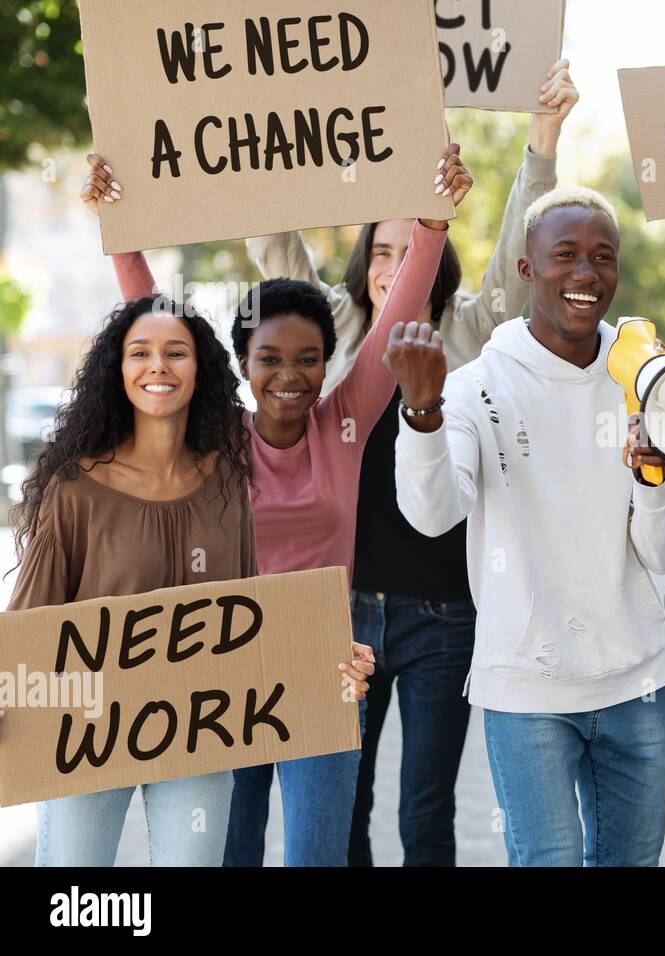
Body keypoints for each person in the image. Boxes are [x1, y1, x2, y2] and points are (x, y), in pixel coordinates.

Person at [83, 143, 472, 866]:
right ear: (243, 365)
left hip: (325, 661)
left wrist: (432, 221)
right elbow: (150, 320)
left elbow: (400, 309)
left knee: (317, 856)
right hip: (225, 656)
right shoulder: (215, 437)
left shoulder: (347, 423)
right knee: (234, 850)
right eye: (270, 359)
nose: (290, 377)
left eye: (307, 359)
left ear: (331, 362)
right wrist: (119, 225)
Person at [242, 60, 577, 867]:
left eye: (411, 244)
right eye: (381, 248)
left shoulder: (476, 332)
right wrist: (256, 127)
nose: (396, 263)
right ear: (362, 264)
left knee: (426, 812)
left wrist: (542, 138)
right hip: (345, 608)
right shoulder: (336, 340)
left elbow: (516, 254)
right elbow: (274, 243)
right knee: (341, 798)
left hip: (445, 614)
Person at [386, 186, 665, 867]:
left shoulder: (656, 380)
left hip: (636, 682)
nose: (586, 274)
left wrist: (657, 476)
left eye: (603, 257)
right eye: (565, 255)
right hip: (526, 688)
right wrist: (423, 415)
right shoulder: (472, 386)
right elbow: (433, 513)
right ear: (526, 269)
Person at [5, 289, 348, 865]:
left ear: (201, 370)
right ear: (118, 371)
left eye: (176, 352)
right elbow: (31, 618)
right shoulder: (75, 488)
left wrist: (328, 662)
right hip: (89, 728)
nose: (158, 365)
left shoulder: (227, 483)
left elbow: (245, 618)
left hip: (199, 733)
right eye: (140, 352)